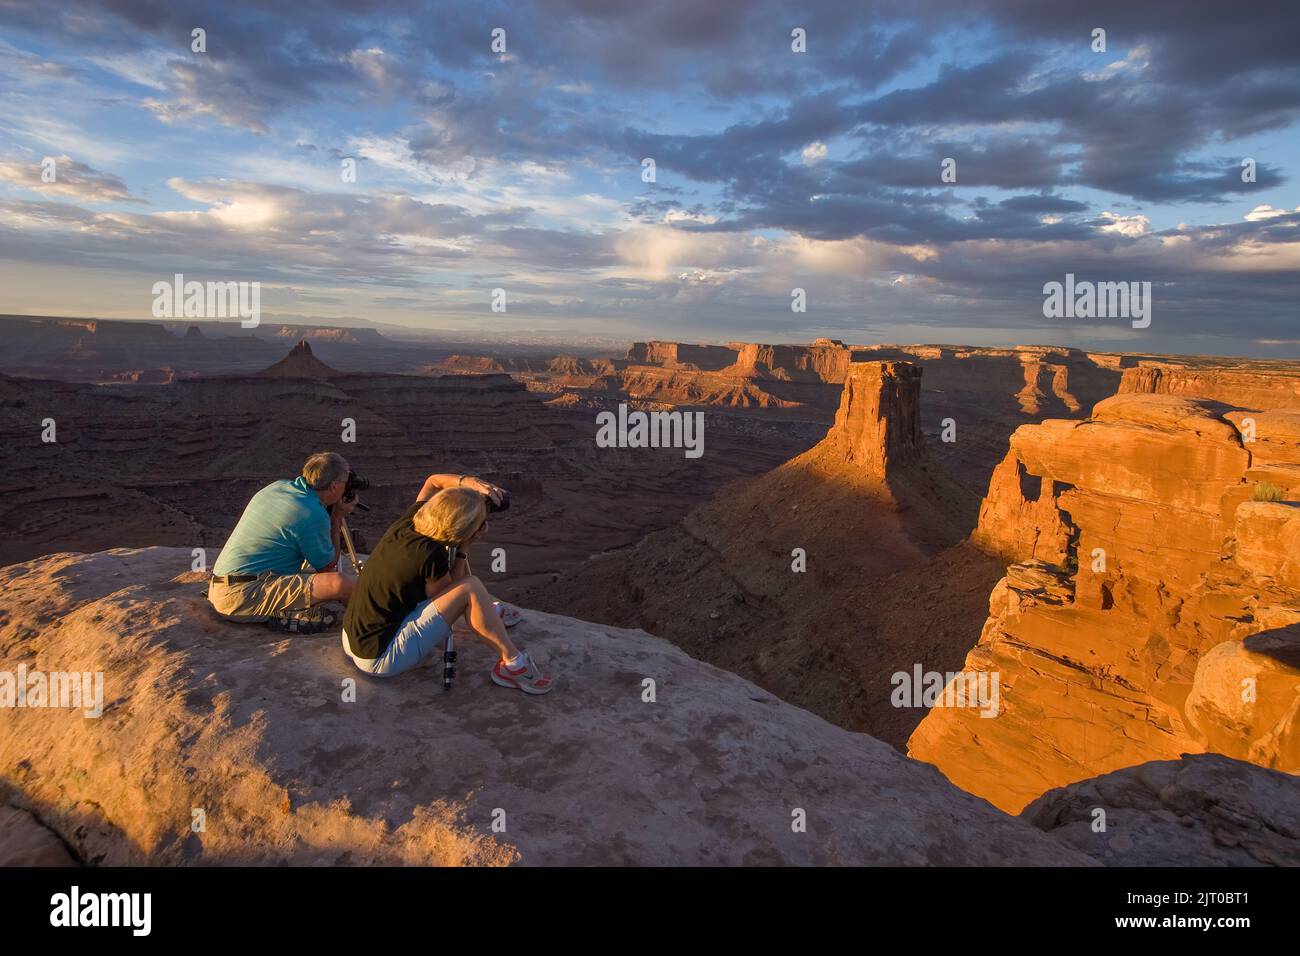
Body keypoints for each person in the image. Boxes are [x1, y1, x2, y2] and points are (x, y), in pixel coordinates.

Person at [341, 472, 553, 694]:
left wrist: (468, 483)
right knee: (471, 587)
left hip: (353, 637)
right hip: (379, 658)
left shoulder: (409, 522)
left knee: (467, 587)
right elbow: (450, 597)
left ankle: (487, 611)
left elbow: (432, 481)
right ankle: (514, 665)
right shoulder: (431, 554)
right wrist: (464, 548)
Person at [209, 451, 357, 625]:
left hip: (221, 587)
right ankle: (351, 624)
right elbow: (327, 567)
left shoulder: (277, 487)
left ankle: (290, 612)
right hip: (244, 596)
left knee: (316, 584)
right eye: (344, 483)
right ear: (334, 486)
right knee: (342, 584)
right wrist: (337, 517)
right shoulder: (312, 512)